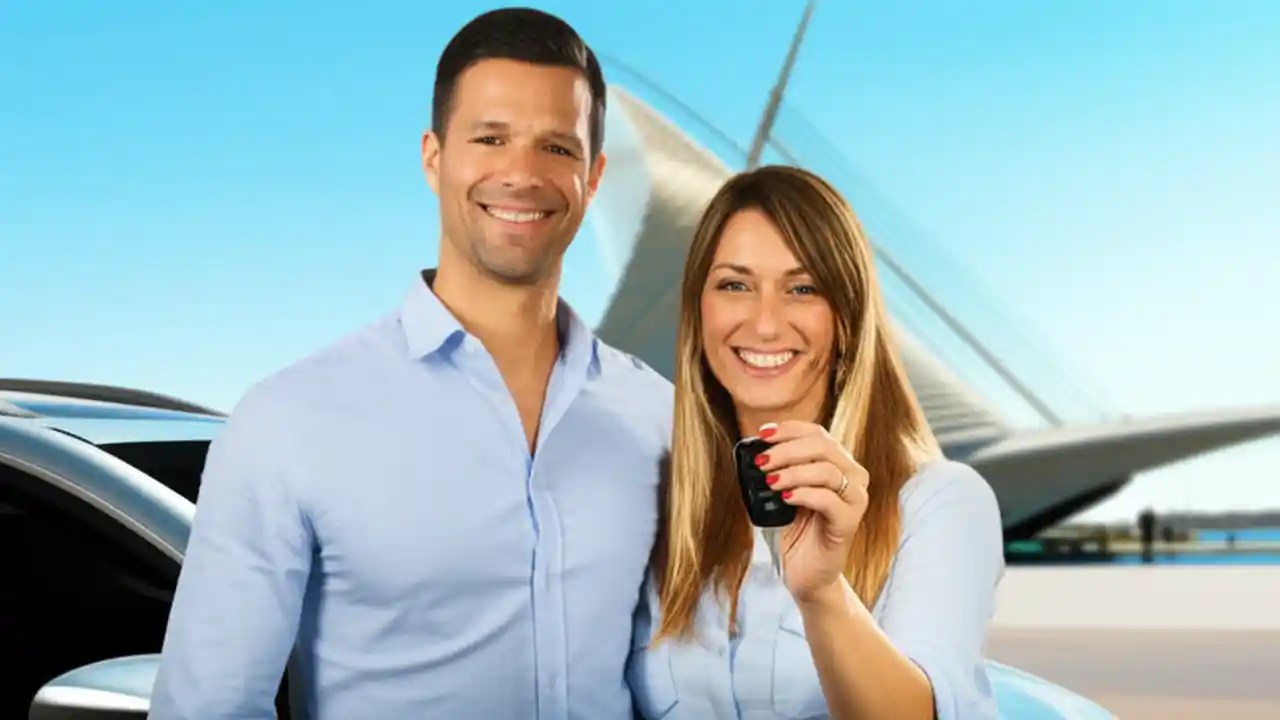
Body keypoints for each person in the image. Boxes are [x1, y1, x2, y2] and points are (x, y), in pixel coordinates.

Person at [150, 8, 673, 719]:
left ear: (594, 175)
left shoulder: (658, 420)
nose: (522, 174)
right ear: (433, 158)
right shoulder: (289, 422)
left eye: (557, 147)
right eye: (491, 138)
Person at [627, 165, 1006, 720]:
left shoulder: (940, 502)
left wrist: (823, 592)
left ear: (846, 317)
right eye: (735, 285)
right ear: (697, 309)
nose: (764, 323)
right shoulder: (655, 503)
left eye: (802, 289)